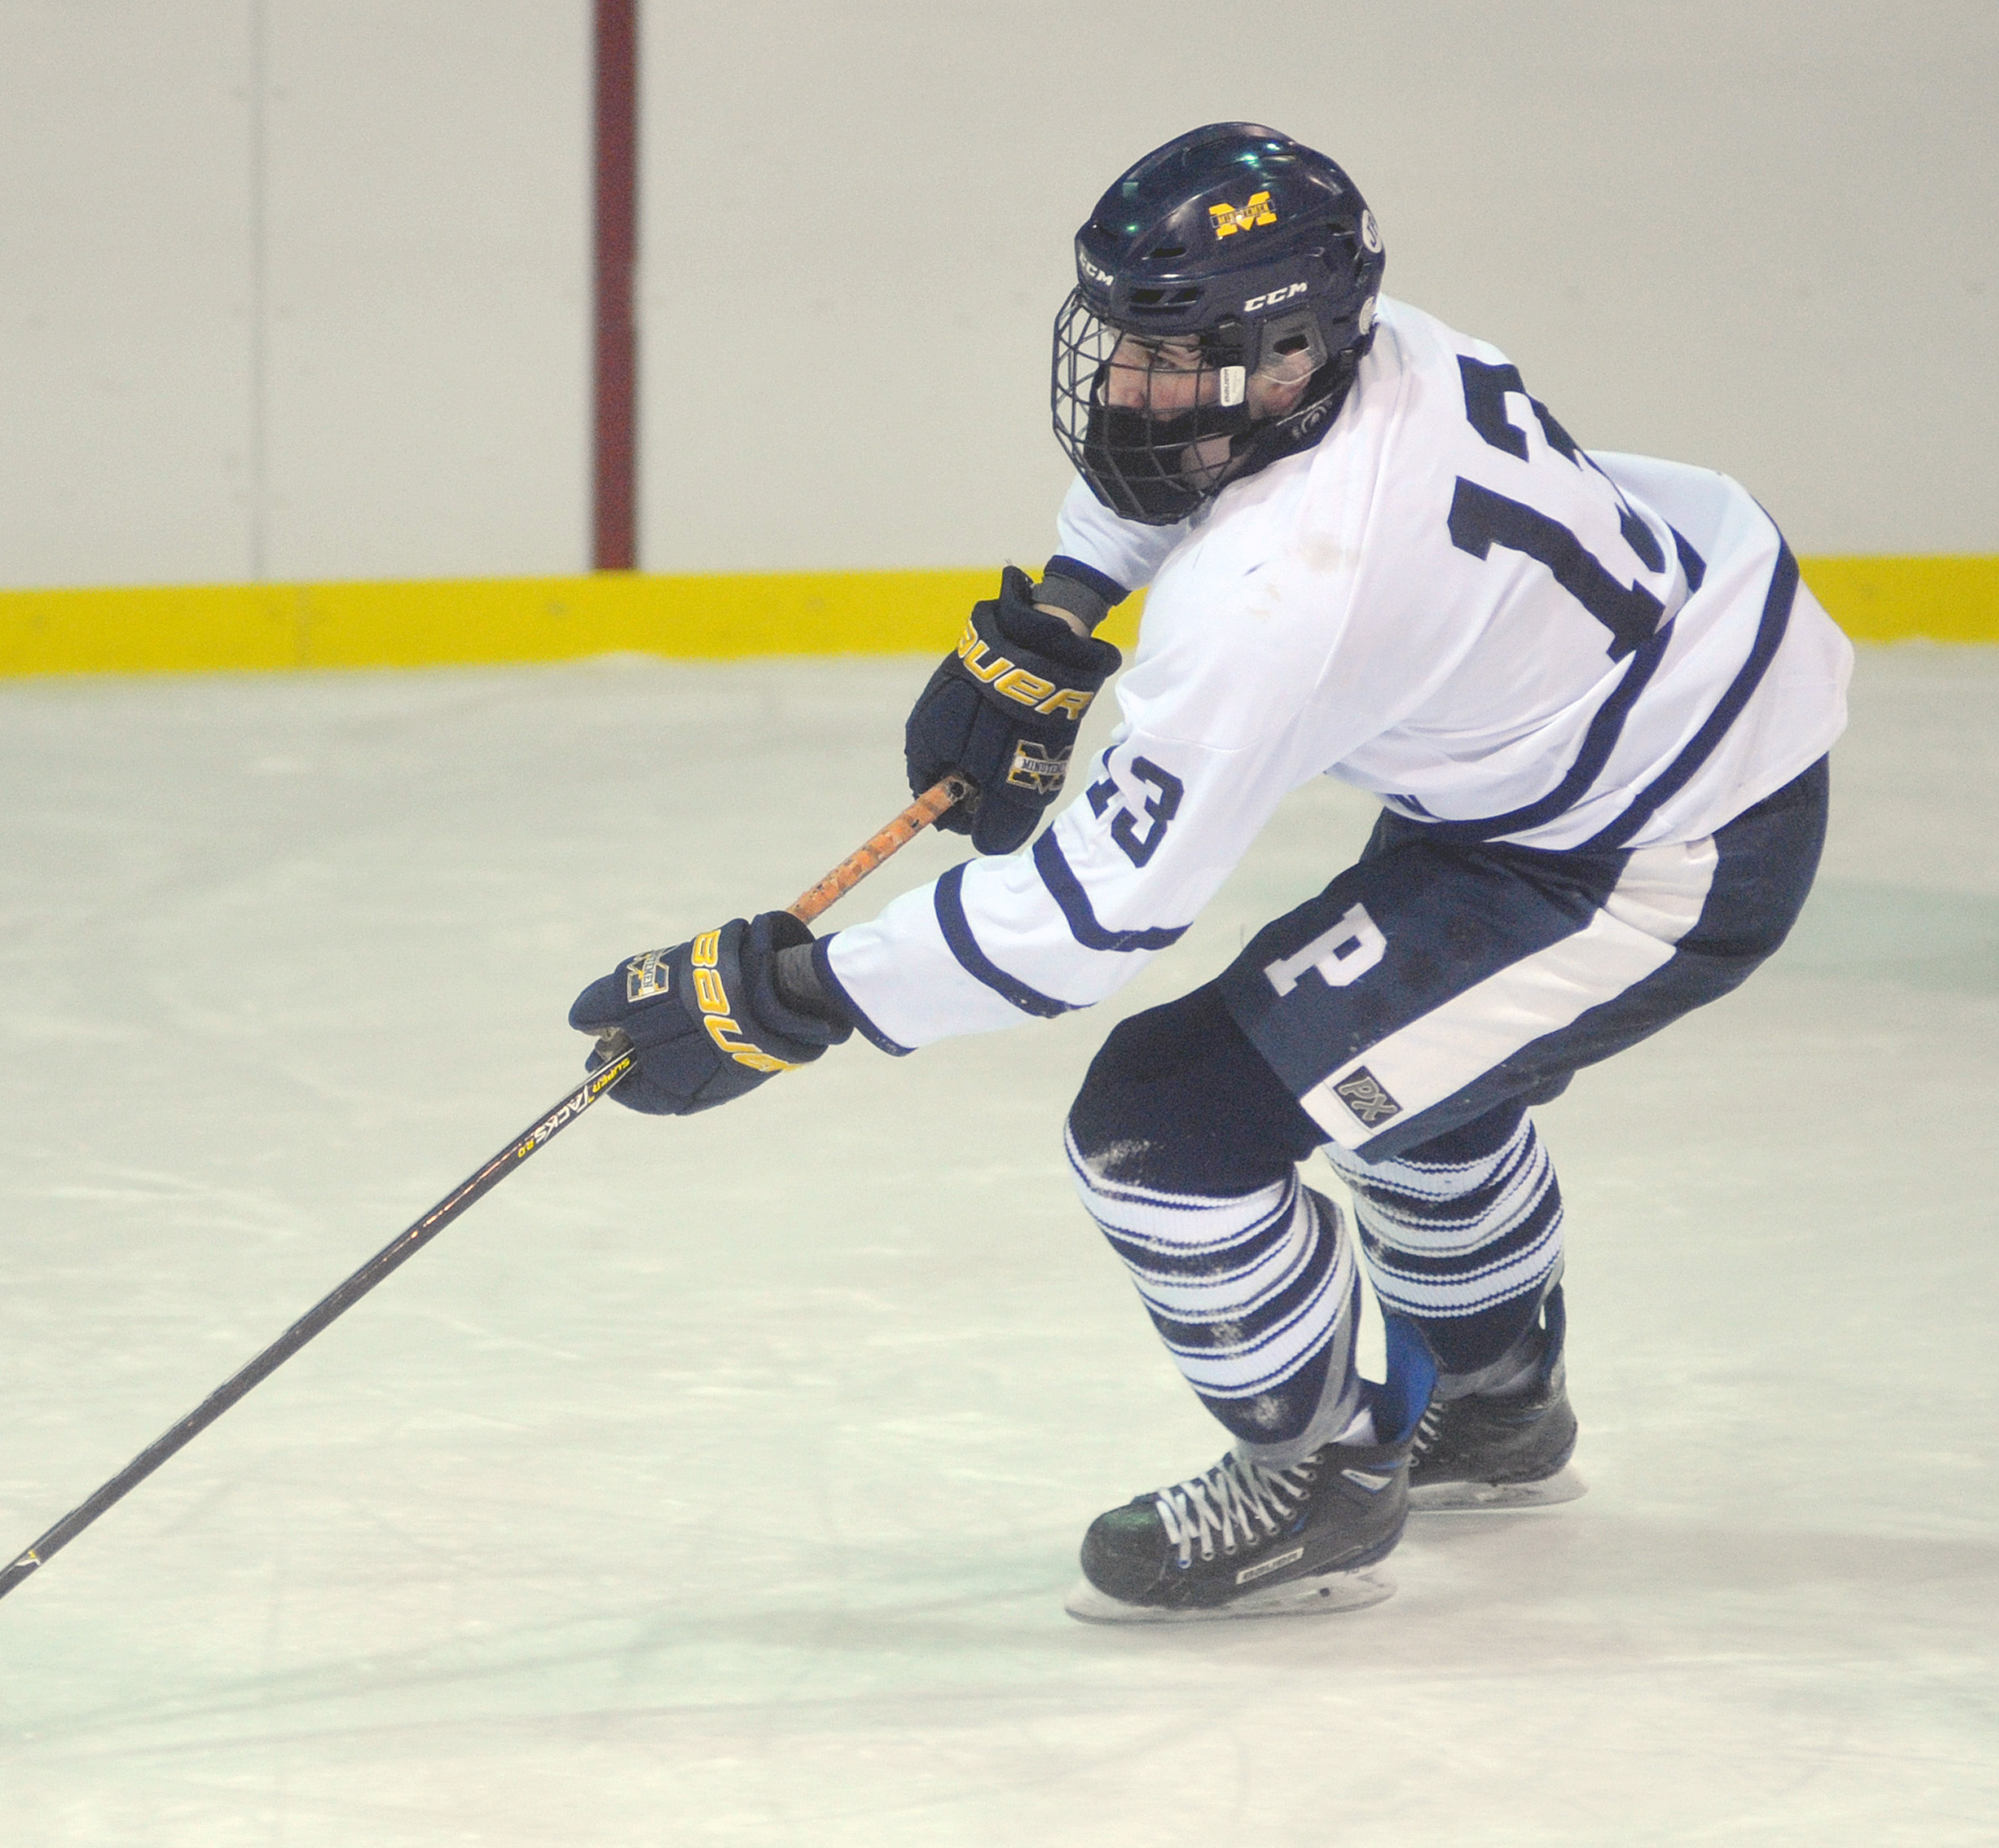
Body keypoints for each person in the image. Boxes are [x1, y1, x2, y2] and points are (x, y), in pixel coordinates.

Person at [567, 124, 1851, 1622]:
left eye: (1172, 357)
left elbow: (1088, 923)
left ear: (1293, 351)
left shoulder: (1282, 593)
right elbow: (1175, 472)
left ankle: (1320, 1479)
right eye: (1121, 340)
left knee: (1165, 1127)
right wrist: (1063, 616)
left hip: (1649, 853)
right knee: (1404, 1075)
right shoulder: (1365, 354)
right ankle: (1497, 1407)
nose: (1126, 383)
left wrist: (797, 995)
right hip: (1609, 753)